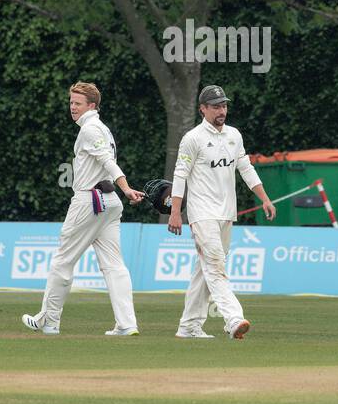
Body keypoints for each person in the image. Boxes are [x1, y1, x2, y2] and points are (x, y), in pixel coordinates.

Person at [22, 82, 146, 336]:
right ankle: (127, 323)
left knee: (63, 261)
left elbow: (107, 163)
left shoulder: (90, 130)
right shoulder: (104, 129)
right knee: (114, 265)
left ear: (92, 105)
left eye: (77, 103)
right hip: (109, 203)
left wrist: (126, 188)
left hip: (90, 200)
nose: (72, 107)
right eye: (71, 102)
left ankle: (50, 321)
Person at [168, 85, 276, 340]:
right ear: (202, 109)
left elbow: (246, 168)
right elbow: (180, 174)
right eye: (215, 106)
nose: (221, 110)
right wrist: (175, 212)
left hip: (226, 212)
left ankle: (189, 326)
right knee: (216, 266)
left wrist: (265, 198)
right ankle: (233, 318)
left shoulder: (234, 135)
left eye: (224, 105)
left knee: (203, 271)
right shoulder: (192, 138)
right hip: (202, 213)